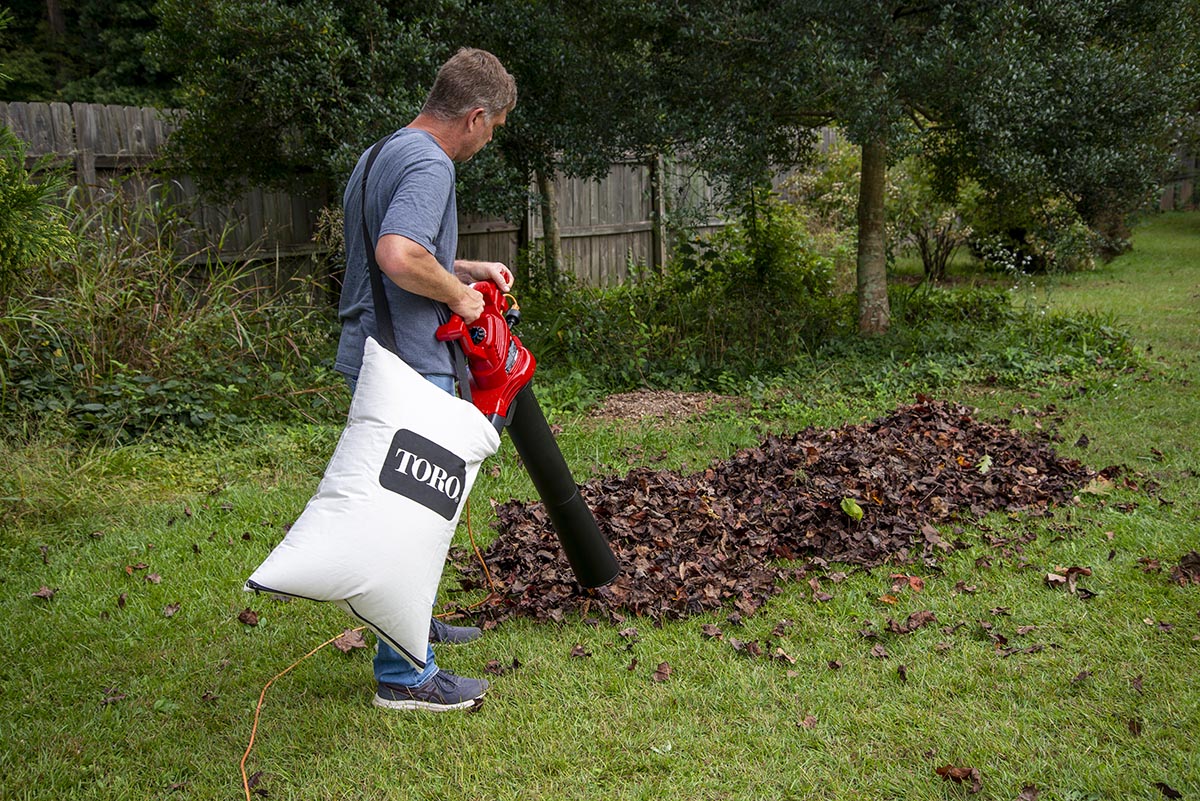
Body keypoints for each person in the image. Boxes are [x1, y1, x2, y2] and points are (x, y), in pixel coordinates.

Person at [335, 48, 517, 712]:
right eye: (492, 126)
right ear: (474, 116)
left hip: (376, 350)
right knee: (412, 514)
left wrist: (464, 270)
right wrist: (463, 301)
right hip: (408, 361)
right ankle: (405, 674)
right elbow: (397, 255)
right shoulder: (430, 163)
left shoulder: (381, 152)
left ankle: (413, 624)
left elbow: (404, 251)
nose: (488, 139)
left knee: (408, 505)